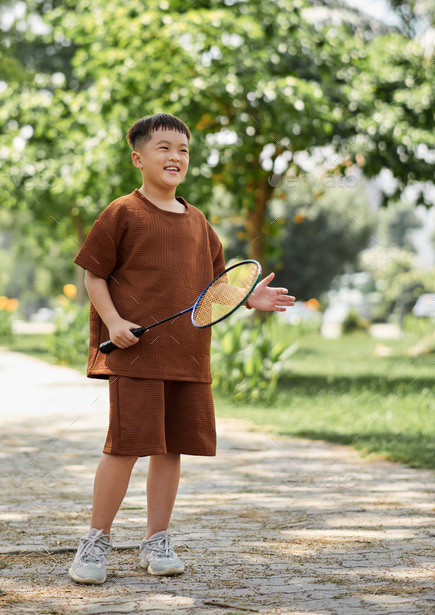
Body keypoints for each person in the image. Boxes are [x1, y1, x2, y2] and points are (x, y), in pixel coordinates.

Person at [68, 113, 295, 584]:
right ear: (138, 158)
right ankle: (94, 541)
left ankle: (157, 539)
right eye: (164, 148)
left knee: (169, 448)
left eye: (183, 151)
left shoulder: (198, 221)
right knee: (126, 446)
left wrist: (250, 297)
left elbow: (215, 287)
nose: (175, 157)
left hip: (187, 355)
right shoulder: (121, 212)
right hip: (136, 354)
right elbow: (94, 274)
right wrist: (114, 322)